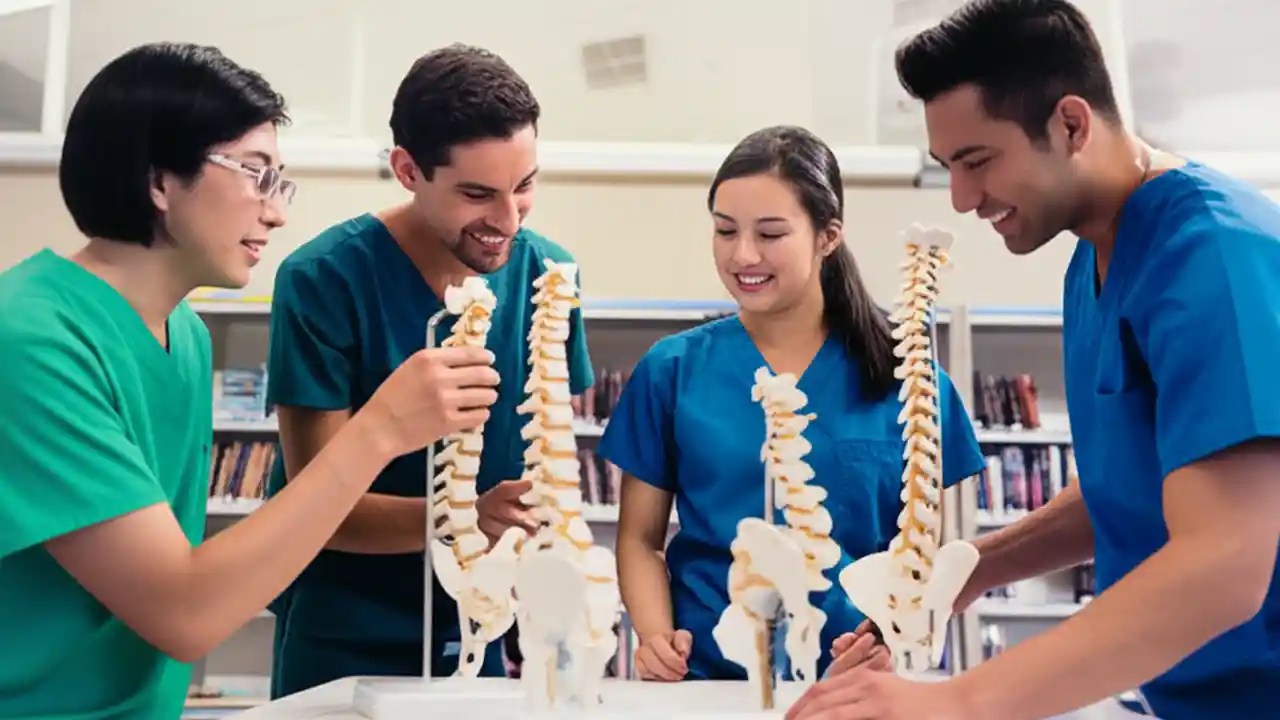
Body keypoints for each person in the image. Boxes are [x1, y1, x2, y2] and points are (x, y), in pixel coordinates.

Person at [790, 2, 1280, 719]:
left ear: (1071, 125)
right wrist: (964, 573)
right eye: (948, 168)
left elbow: (1225, 564)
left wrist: (956, 703)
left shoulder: (1213, 255)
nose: (961, 199)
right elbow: (1144, 480)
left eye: (977, 161)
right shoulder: (1093, 263)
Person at [0, 43, 500, 719]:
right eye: (255, 175)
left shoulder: (186, 337)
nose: (276, 212)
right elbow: (185, 610)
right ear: (159, 180)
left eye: (279, 183)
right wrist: (380, 430)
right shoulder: (29, 339)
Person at [596, 125, 987, 683]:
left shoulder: (910, 375)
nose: (743, 254)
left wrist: (896, 636)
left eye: (771, 234)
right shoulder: (673, 371)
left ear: (828, 236)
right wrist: (656, 637)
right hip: (707, 680)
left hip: (862, 680)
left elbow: (934, 558)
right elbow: (638, 539)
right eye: (725, 231)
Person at [263, 43, 594, 696]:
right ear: (408, 170)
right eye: (477, 194)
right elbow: (316, 507)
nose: (507, 220)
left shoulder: (549, 276)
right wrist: (459, 517)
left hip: (481, 625)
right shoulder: (322, 280)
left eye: (524, 186)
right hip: (343, 625)